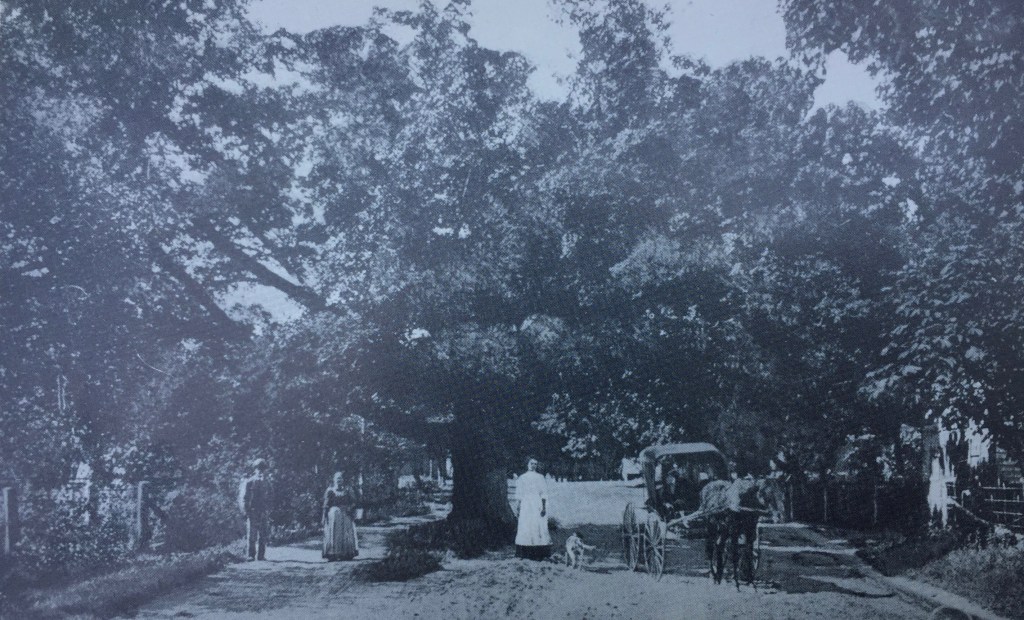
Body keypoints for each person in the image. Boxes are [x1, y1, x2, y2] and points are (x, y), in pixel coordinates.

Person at [514, 457, 551, 560]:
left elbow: (544, 493)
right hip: (526, 504)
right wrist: (518, 507)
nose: (533, 465)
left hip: (536, 503)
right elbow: (519, 494)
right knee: (526, 525)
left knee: (537, 525)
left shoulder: (540, 477)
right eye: (531, 463)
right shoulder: (522, 478)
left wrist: (544, 507)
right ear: (527, 464)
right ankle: (524, 551)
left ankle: (538, 552)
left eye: (535, 464)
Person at [238, 458, 272, 561]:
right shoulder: (249, 482)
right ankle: (251, 555)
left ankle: (261, 555)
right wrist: (246, 511)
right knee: (252, 534)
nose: (261, 470)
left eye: (263, 468)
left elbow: (271, 496)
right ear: (255, 469)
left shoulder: (267, 482)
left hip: (263, 510)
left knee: (263, 534)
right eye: (259, 468)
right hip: (253, 510)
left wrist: (269, 509)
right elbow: (244, 497)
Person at [322, 471, 359, 561]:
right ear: (334, 480)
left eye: (340, 478)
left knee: (346, 533)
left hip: (345, 514)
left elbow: (354, 502)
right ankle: (333, 553)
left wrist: (350, 508)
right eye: (337, 478)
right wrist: (323, 517)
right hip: (334, 516)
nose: (339, 480)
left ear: (343, 480)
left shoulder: (348, 490)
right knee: (334, 534)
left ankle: (346, 553)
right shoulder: (330, 491)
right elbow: (326, 505)